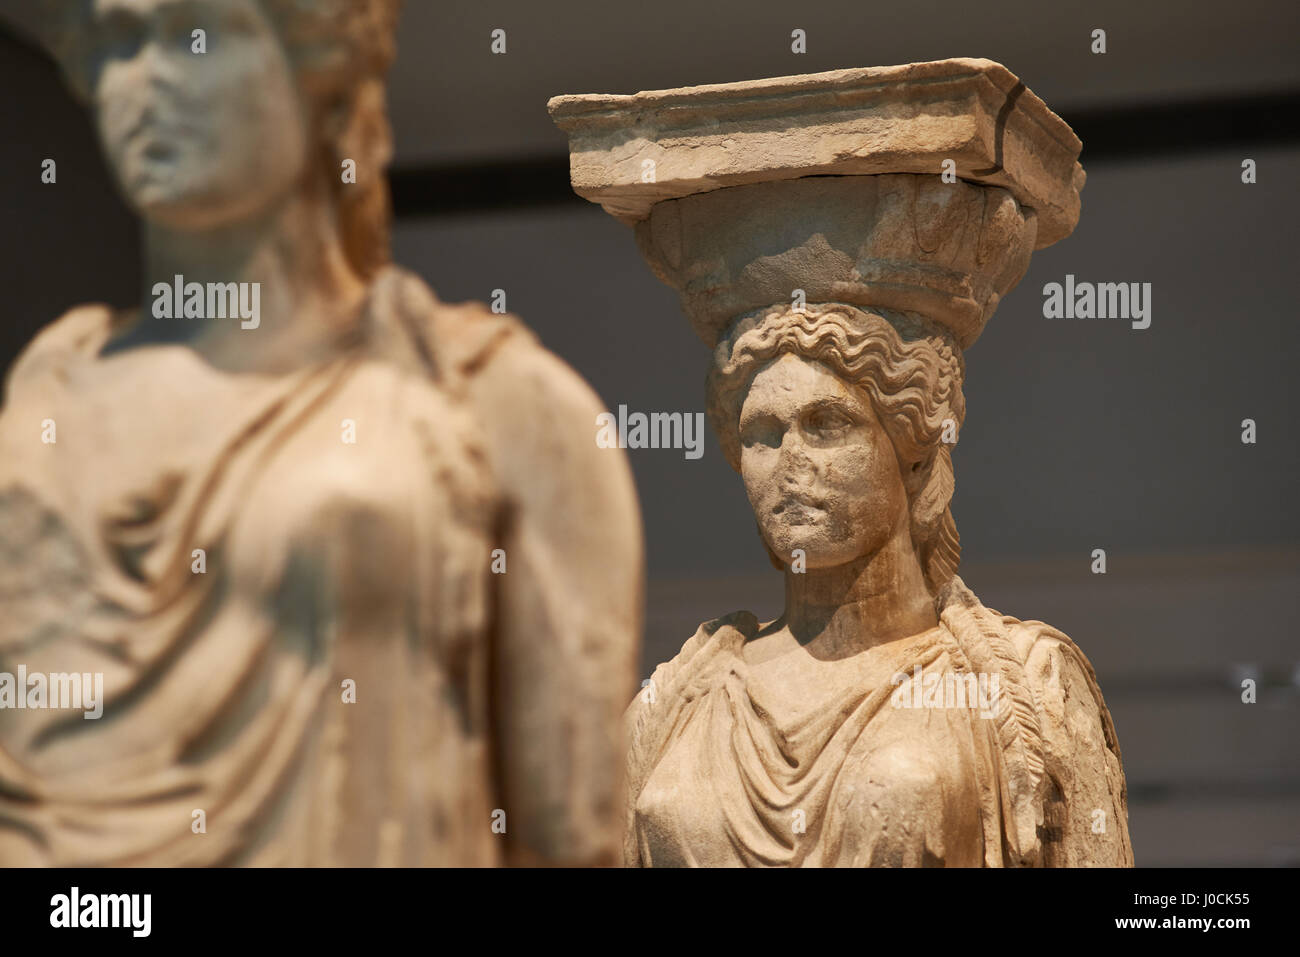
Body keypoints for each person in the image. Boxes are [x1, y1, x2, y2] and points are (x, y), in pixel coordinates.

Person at [0, 0, 642, 866]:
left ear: (318, 58)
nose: (144, 81)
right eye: (117, 39)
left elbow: (573, 839)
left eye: (197, 32)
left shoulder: (495, 406)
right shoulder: (50, 397)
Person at [624, 302, 1132, 867]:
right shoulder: (674, 699)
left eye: (826, 424)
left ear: (914, 455)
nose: (790, 461)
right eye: (762, 435)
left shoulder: (1022, 682)